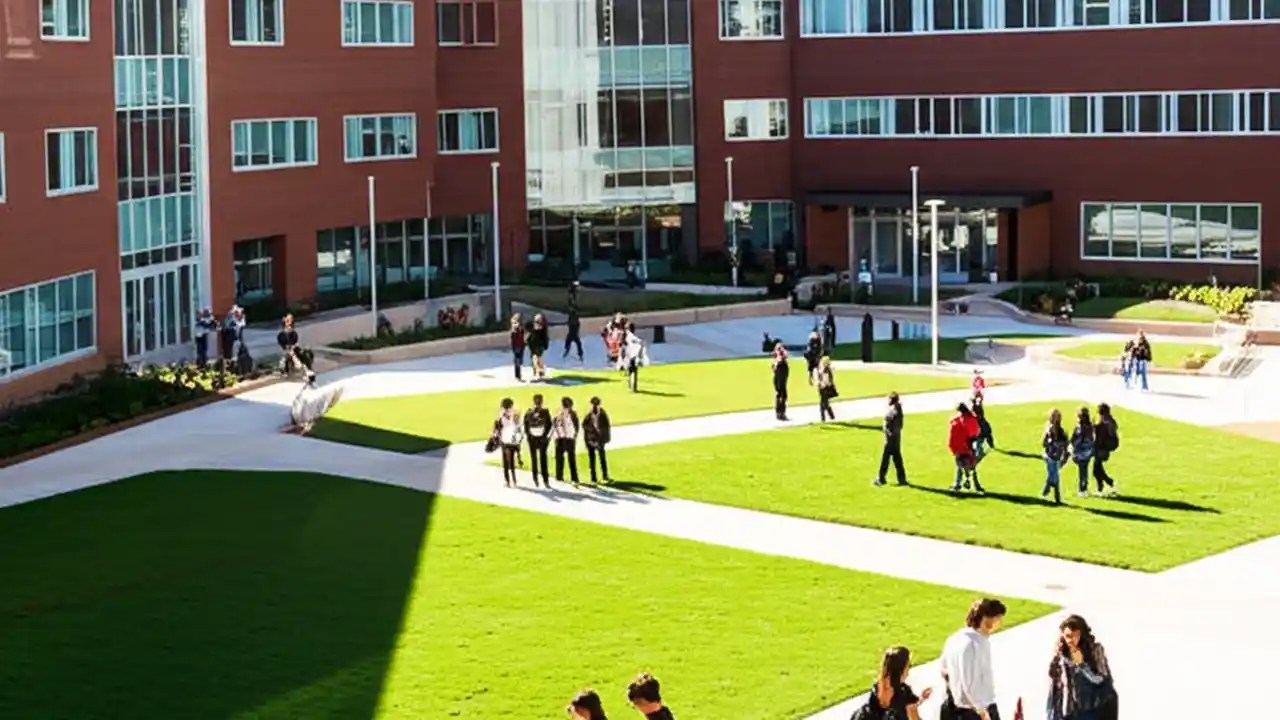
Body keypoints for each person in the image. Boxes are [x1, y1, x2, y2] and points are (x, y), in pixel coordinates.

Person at [940, 598, 1007, 720]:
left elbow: (944, 671)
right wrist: (982, 711)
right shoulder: (975, 644)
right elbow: (970, 684)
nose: (1000, 623)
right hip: (976, 710)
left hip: (954, 706)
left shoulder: (953, 639)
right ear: (988, 619)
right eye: (998, 618)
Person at [1047, 615, 1117, 720]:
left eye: (1075, 635)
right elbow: (1054, 686)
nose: (1071, 640)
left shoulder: (1095, 650)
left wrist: (1082, 665)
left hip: (1092, 707)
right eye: (1068, 636)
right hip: (1068, 711)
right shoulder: (1060, 655)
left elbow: (1101, 679)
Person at [858, 646, 931, 720]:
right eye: (908, 666)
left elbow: (913, 709)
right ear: (899, 671)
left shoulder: (904, 691)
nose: (908, 671)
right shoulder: (867, 713)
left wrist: (921, 699)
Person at [949, 404, 984, 493]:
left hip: (963, 447)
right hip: (969, 446)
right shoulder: (971, 419)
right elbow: (975, 432)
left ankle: (958, 485)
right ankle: (976, 485)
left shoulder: (959, 421)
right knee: (972, 467)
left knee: (960, 467)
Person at [874, 392, 907, 486]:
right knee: (897, 460)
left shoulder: (895, 412)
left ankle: (881, 478)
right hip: (893, 439)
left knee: (886, 460)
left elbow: (895, 426)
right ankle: (901, 479)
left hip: (891, 440)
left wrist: (889, 435)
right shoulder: (896, 410)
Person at [523, 394, 553, 489]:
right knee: (534, 459)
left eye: (539, 401)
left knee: (543, 459)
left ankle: (545, 480)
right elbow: (526, 425)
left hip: (542, 439)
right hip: (532, 439)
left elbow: (549, 425)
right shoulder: (529, 412)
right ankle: (535, 478)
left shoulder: (545, 412)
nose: (538, 403)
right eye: (536, 401)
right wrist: (529, 436)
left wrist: (546, 438)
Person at [493, 398, 524, 488]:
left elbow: (500, 427)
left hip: (508, 440)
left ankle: (510, 481)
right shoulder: (513, 413)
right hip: (510, 441)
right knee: (509, 461)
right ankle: (511, 480)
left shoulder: (506, 415)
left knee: (507, 462)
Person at [1092, 403, 1119, 496]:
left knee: (1096, 470)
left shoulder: (1108, 423)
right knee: (1097, 470)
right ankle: (1104, 486)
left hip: (1102, 449)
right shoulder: (1107, 421)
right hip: (1099, 448)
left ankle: (1108, 484)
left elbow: (1110, 436)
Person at [1042, 408, 1069, 504]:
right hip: (1049, 456)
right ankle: (1054, 496)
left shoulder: (1061, 432)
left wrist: (1065, 456)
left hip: (1057, 457)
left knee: (1054, 476)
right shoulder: (1048, 429)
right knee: (1054, 475)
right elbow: (1044, 443)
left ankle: (1047, 492)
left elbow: (1065, 443)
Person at [553, 396, 581, 486]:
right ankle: (563, 476)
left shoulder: (565, 413)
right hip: (564, 438)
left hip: (566, 438)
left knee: (567, 459)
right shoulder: (562, 413)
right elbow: (557, 425)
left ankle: (569, 477)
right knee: (565, 459)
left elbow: (576, 426)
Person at [583, 396, 612, 484]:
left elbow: (607, 427)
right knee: (592, 459)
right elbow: (584, 425)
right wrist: (591, 433)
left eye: (596, 404)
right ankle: (593, 477)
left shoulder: (602, 414)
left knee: (602, 458)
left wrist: (606, 438)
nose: (594, 406)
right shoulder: (588, 415)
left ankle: (605, 475)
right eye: (593, 404)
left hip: (600, 439)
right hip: (591, 439)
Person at [1069, 407, 1096, 498]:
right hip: (1087, 452)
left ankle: (1082, 489)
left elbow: (1073, 439)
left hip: (1080, 453)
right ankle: (1083, 488)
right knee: (1084, 470)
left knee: (1082, 471)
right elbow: (1092, 439)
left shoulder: (1079, 428)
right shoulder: (1090, 427)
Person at [619, 324, 647, 393]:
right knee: (633, 372)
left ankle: (631, 387)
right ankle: (633, 387)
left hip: (629, 356)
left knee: (630, 372)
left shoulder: (627, 336)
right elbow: (640, 343)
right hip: (632, 356)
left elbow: (623, 346)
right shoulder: (630, 336)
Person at [527, 313, 550, 381]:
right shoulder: (534, 327)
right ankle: (538, 372)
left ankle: (539, 372)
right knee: (535, 359)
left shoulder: (542, 329)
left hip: (539, 346)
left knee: (536, 358)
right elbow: (530, 335)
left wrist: (545, 345)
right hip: (534, 346)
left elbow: (544, 338)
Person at [771, 342, 790, 421]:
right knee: (783, 395)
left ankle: (778, 412)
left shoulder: (775, 361)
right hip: (781, 380)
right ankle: (781, 413)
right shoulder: (780, 361)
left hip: (777, 379)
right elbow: (785, 356)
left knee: (778, 394)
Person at [815, 356, 837, 422]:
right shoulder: (821, 369)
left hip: (826, 388)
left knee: (822, 403)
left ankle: (824, 417)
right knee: (825, 403)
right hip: (822, 388)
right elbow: (818, 377)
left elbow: (829, 380)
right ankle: (830, 415)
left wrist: (824, 384)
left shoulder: (828, 370)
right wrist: (819, 383)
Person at [509, 314, 527, 381]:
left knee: (518, 361)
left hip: (520, 345)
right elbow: (513, 339)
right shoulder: (515, 329)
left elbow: (522, 337)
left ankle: (518, 375)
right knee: (518, 361)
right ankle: (518, 376)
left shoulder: (520, 328)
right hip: (517, 346)